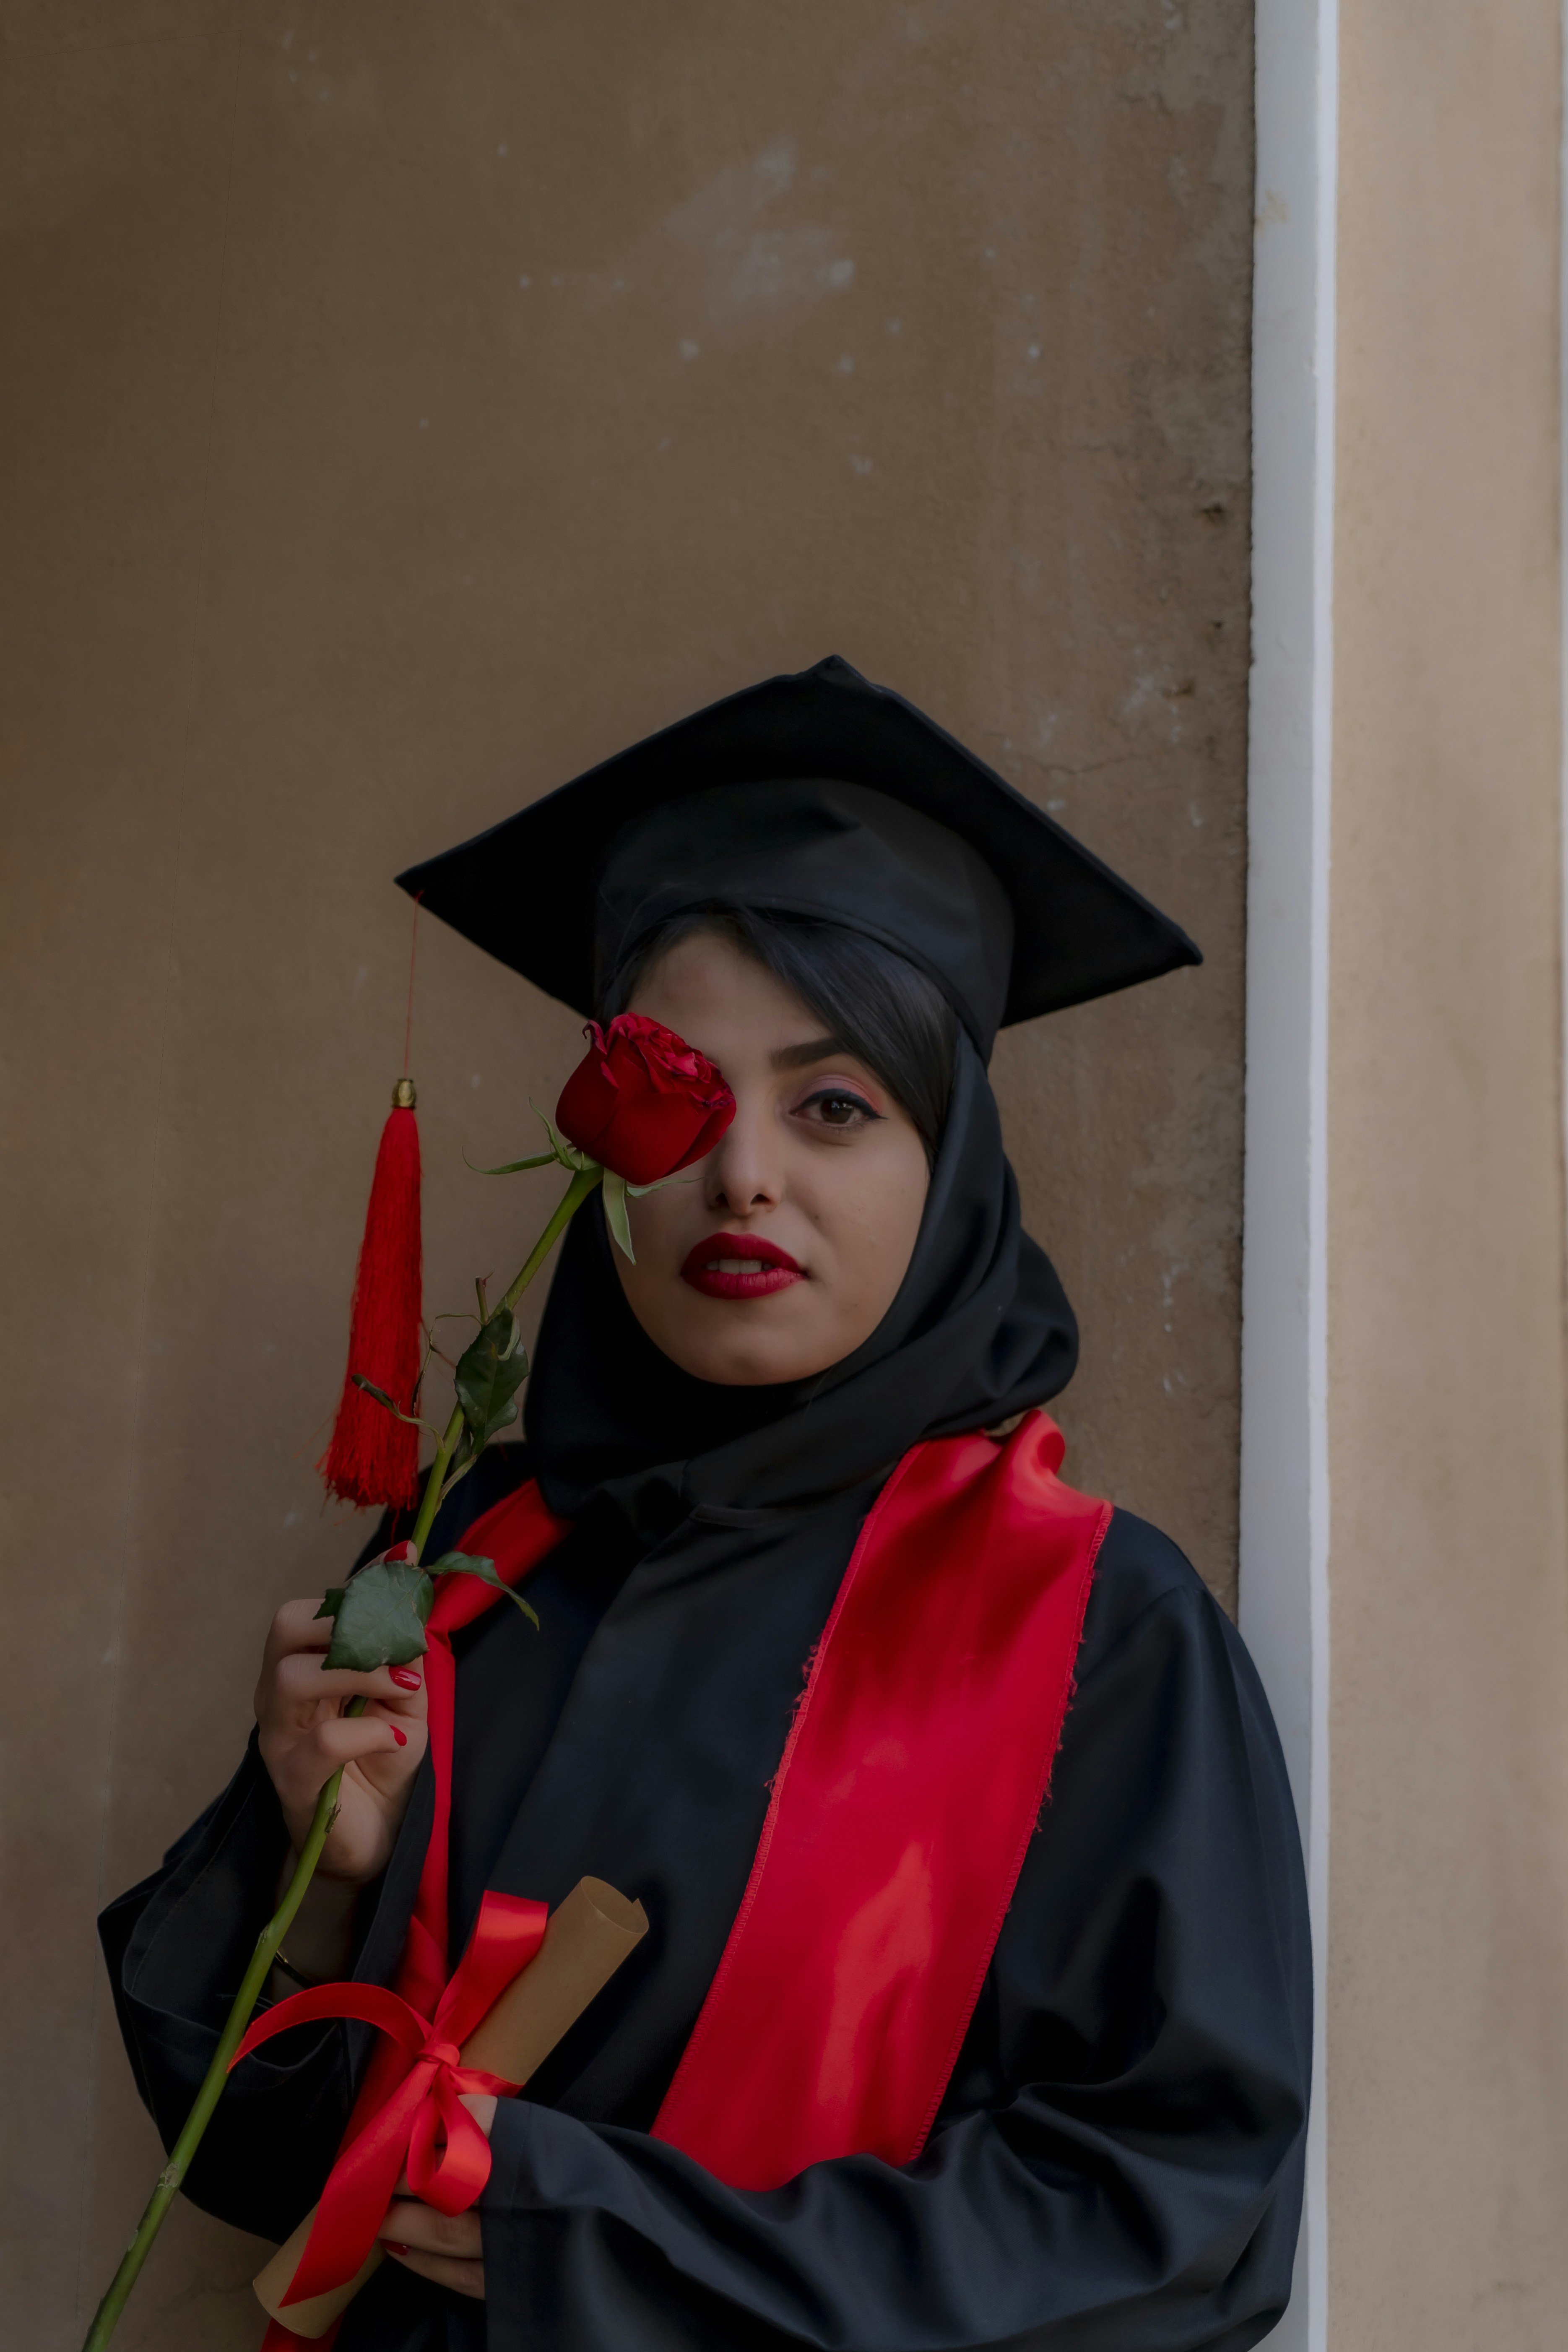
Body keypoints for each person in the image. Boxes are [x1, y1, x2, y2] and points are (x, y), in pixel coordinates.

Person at [103, 657, 1309, 2351]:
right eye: (679, 1100)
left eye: (833, 1105)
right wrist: (316, 1881)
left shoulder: (1092, 1629)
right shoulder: (460, 1566)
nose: (740, 1171)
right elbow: (258, 2162)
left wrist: (605, 2233)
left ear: (948, 1166)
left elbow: (1178, 2224)